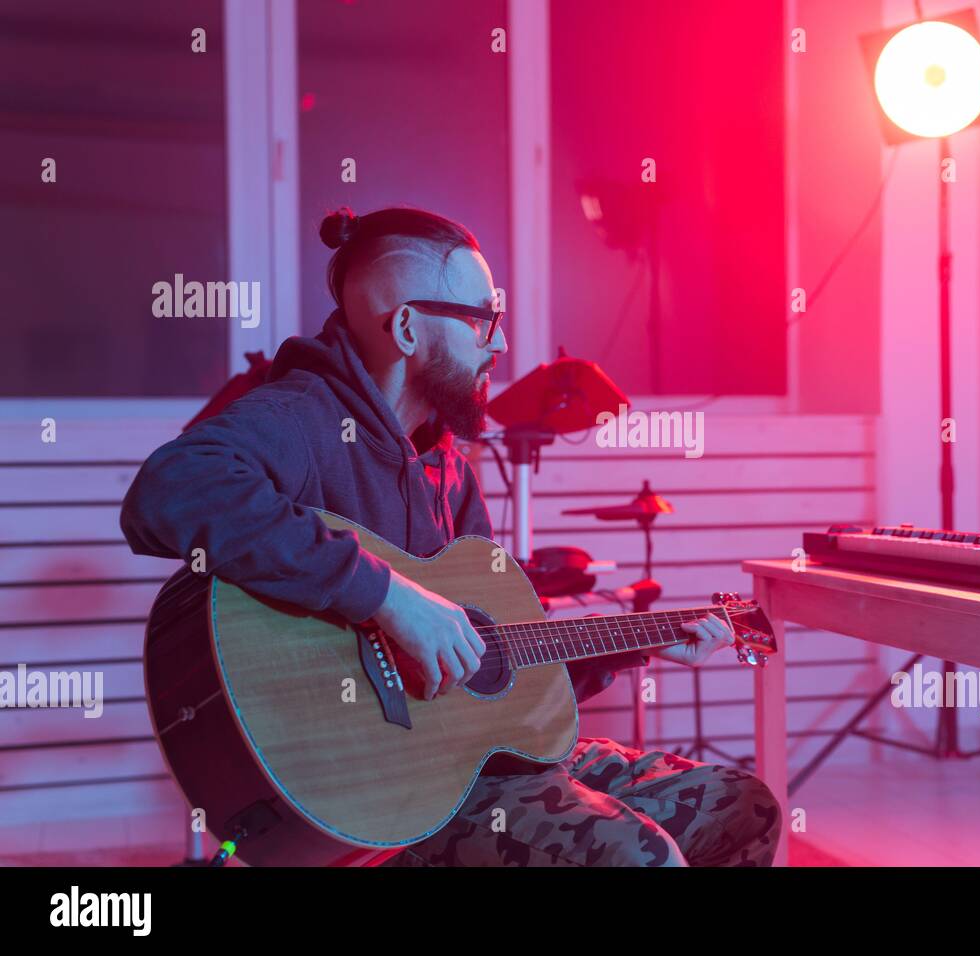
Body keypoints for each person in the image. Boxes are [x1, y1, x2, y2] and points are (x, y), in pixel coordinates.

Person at [121, 205, 780, 867]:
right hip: (384, 796)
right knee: (642, 857)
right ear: (407, 327)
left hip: (483, 768)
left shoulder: (449, 469)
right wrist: (389, 598)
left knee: (745, 806)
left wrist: (639, 644)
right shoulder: (302, 418)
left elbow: (499, 678)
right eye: (481, 320)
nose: (498, 344)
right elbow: (169, 489)